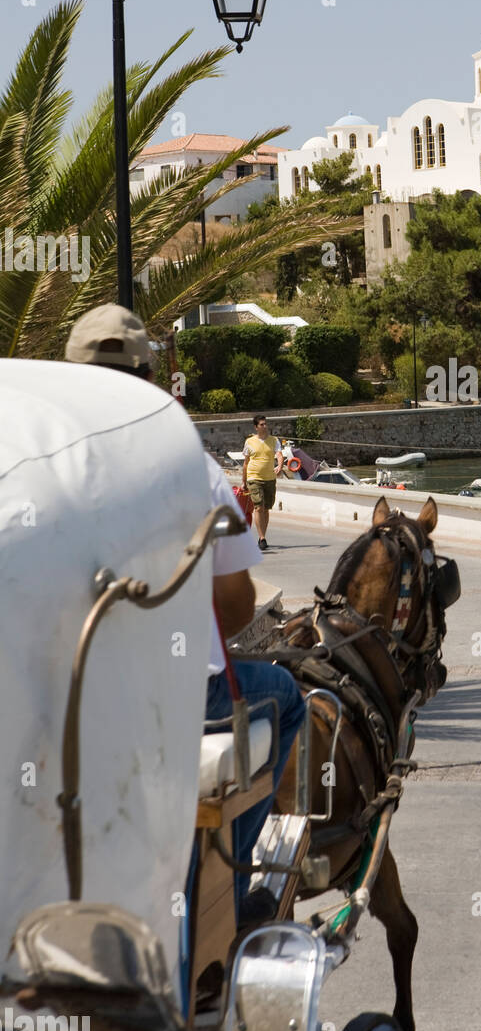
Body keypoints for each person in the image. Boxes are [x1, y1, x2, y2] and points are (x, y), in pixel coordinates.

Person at [64, 305, 305, 926]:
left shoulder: (35, 466)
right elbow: (235, 603)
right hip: (177, 700)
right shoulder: (187, 466)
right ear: (149, 379)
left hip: (59, 705)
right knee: (284, 697)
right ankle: (227, 876)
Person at [242, 415, 284, 551]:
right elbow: (246, 463)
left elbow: (279, 455)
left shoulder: (274, 440)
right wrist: (243, 481)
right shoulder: (249, 442)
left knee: (266, 508)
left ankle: (263, 536)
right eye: (261, 424)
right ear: (256, 427)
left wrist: (280, 465)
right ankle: (262, 538)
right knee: (259, 507)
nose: (265, 426)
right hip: (254, 477)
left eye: (265, 424)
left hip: (270, 478)